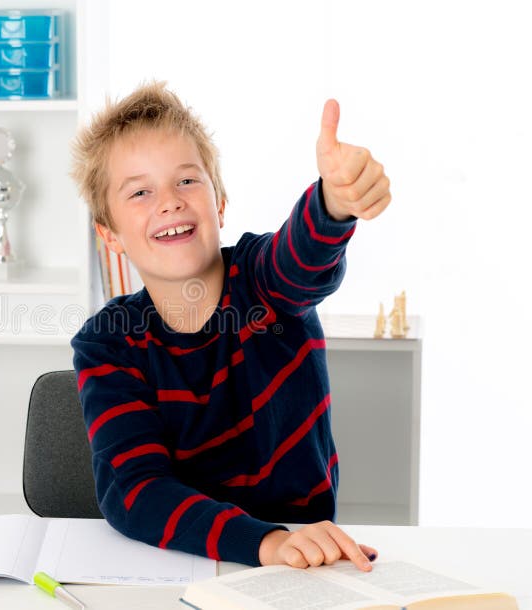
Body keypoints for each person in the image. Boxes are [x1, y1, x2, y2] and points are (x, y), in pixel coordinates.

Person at [69, 82, 391, 570]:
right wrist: (264, 543)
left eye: (186, 181)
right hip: (186, 560)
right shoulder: (107, 342)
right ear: (109, 233)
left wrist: (332, 203)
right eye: (140, 192)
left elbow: (301, 260)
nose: (169, 202)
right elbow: (136, 491)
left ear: (219, 201)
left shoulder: (263, 280)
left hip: (303, 558)